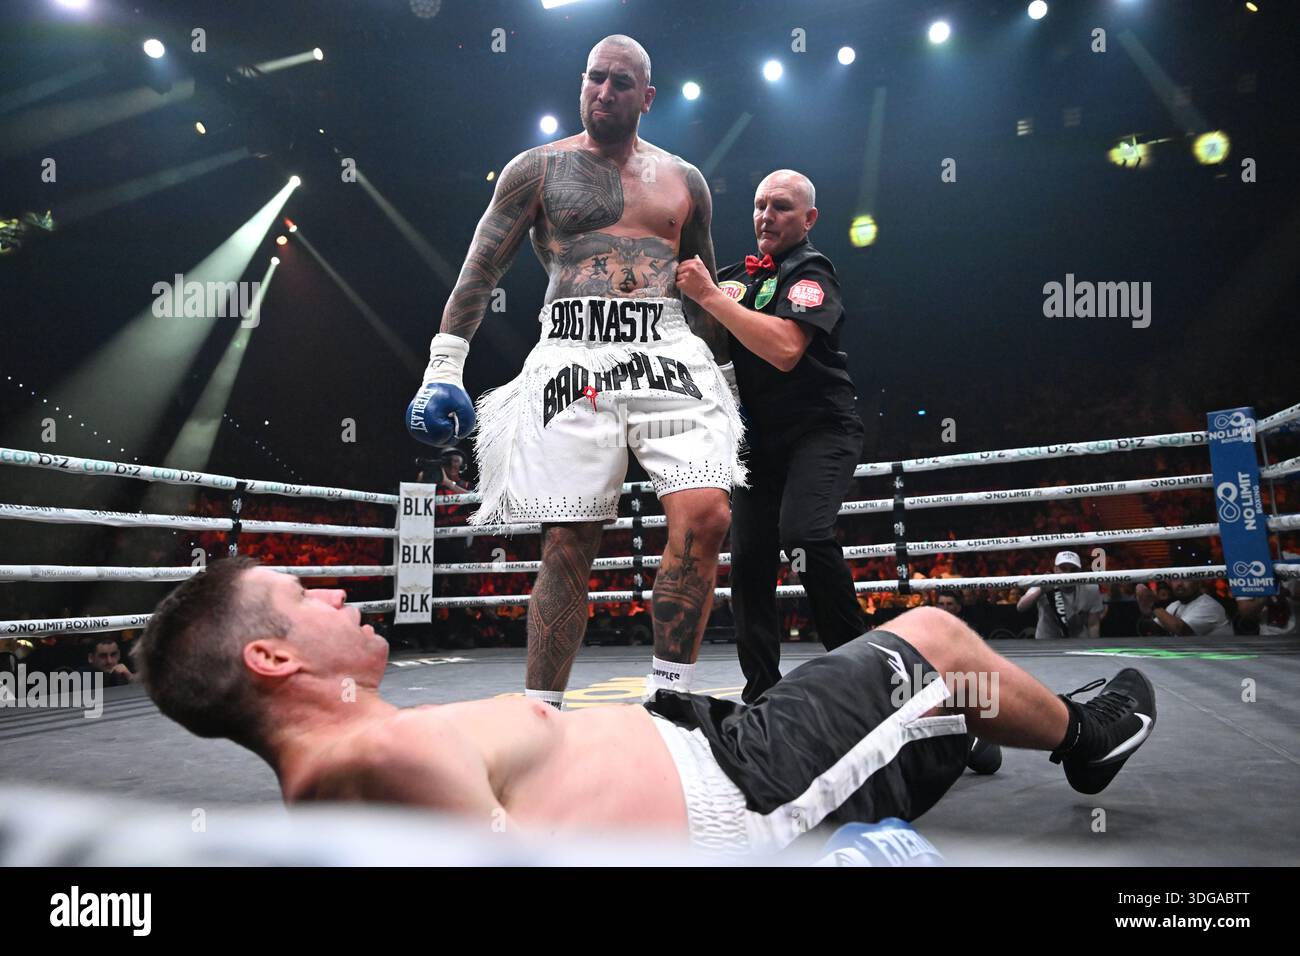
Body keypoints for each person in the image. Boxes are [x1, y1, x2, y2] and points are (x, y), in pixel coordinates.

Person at [134, 558, 1158, 857]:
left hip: (715, 746)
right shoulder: (369, 767)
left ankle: (984, 732)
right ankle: (1084, 736)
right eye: (307, 597)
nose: (340, 595)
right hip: (743, 794)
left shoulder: (354, 765)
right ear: (270, 655)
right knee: (933, 636)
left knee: (925, 678)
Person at [404, 35, 743, 706]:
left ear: (647, 97)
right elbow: (481, 268)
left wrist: (730, 386)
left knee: (706, 512)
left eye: (621, 84)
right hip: (571, 351)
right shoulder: (537, 169)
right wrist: (443, 366)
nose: (604, 93)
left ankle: (671, 696)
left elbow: (700, 289)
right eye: (595, 79)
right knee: (568, 537)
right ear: (581, 82)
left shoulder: (685, 181)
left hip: (665, 348)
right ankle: (542, 711)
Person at [676, 169, 867, 703]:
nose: (766, 216)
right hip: (756, 442)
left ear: (809, 219)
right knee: (751, 559)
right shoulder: (733, 277)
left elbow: (785, 350)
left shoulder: (811, 270)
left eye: (781, 207)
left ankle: (867, 673)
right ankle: (761, 695)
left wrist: (711, 298)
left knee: (804, 535)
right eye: (760, 205)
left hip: (819, 430)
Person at [1015, 551, 1103, 640]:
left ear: (1080, 571)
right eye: (1063, 568)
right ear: (1055, 569)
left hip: (1079, 640)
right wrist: (1041, 590)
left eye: (1073, 570)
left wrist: (1094, 648)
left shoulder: (1091, 588)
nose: (1068, 574)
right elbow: (1021, 607)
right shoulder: (1045, 581)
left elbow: (1093, 624)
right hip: (1046, 641)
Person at [1136, 578, 1234, 636]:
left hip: (1220, 663)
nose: (1179, 584)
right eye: (1175, 579)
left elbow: (1181, 630)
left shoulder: (1209, 605)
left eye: (1186, 579)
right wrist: (1146, 612)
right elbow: (1155, 628)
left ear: (1198, 583)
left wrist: (1153, 606)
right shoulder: (1175, 605)